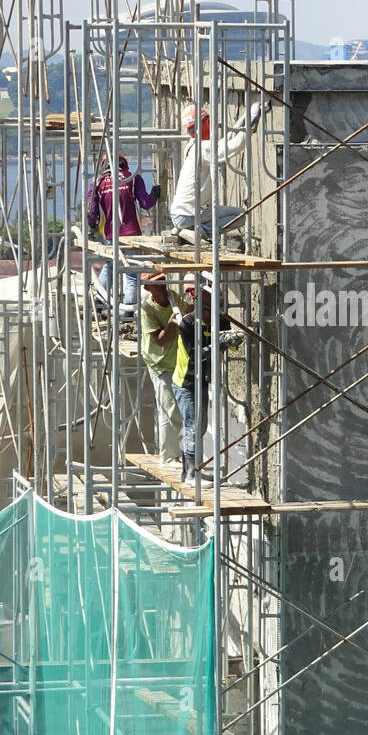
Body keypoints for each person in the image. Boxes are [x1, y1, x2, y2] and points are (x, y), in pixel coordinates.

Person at [172, 272, 244, 483]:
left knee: (199, 427)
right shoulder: (186, 324)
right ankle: (192, 474)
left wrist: (234, 339)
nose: (209, 313)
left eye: (213, 307)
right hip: (186, 382)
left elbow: (227, 340)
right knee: (193, 427)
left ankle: (189, 471)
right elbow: (198, 353)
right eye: (206, 308)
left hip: (203, 380)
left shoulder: (220, 321)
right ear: (198, 305)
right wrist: (222, 342)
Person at [169, 101, 262, 247]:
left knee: (238, 214)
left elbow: (221, 144)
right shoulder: (202, 148)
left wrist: (243, 119)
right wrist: (251, 126)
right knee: (242, 216)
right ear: (203, 124)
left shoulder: (193, 146)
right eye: (208, 121)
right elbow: (232, 147)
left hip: (179, 213)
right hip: (191, 213)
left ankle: (187, 229)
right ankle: (199, 231)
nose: (211, 125)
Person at [86, 155, 158, 317]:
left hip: (110, 234)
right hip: (132, 233)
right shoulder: (133, 178)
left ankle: (100, 302)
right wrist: (155, 194)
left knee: (110, 266)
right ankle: (128, 311)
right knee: (131, 273)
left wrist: (92, 228)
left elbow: (92, 213)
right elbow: (146, 203)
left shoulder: (97, 183)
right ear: (124, 164)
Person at [138, 270, 189, 464]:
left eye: (163, 282)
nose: (162, 286)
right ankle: (168, 457)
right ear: (148, 288)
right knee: (169, 410)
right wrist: (171, 324)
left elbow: (187, 311)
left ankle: (177, 454)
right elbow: (159, 341)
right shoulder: (147, 309)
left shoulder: (172, 297)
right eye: (157, 284)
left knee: (179, 410)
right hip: (160, 364)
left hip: (178, 361)